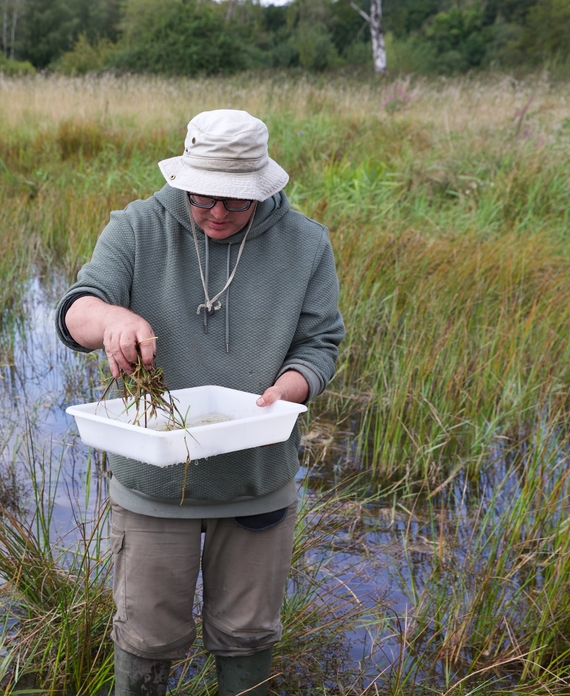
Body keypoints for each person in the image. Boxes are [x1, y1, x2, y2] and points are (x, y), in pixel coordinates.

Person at [55, 109, 345, 696]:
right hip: (155, 481)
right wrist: (112, 319)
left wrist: (292, 388)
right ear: (183, 180)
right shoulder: (137, 228)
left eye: (235, 202)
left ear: (262, 189)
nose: (216, 212)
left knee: (248, 633)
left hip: (257, 474)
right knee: (146, 633)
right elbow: (77, 310)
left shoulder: (306, 243)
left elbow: (321, 343)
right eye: (201, 197)